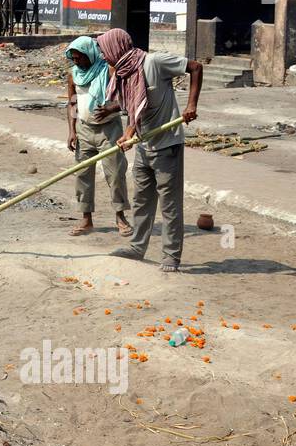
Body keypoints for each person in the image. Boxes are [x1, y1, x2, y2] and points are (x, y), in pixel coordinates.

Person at [95, 28, 203, 273]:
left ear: (116, 48)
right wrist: (128, 134)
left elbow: (195, 67)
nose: (103, 57)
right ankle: (137, 247)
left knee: (170, 204)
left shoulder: (154, 62)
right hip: (144, 145)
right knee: (142, 200)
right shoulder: (122, 73)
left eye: (105, 51)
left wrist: (191, 105)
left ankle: (171, 256)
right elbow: (136, 107)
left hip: (167, 145)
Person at [65, 37, 131, 238]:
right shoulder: (73, 75)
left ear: (91, 55)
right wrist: (72, 130)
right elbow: (72, 103)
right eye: (73, 58)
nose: (77, 62)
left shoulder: (109, 71)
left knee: (115, 174)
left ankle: (120, 217)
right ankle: (86, 219)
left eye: (80, 58)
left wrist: (111, 108)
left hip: (109, 130)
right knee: (82, 175)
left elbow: (127, 97)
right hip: (84, 131)